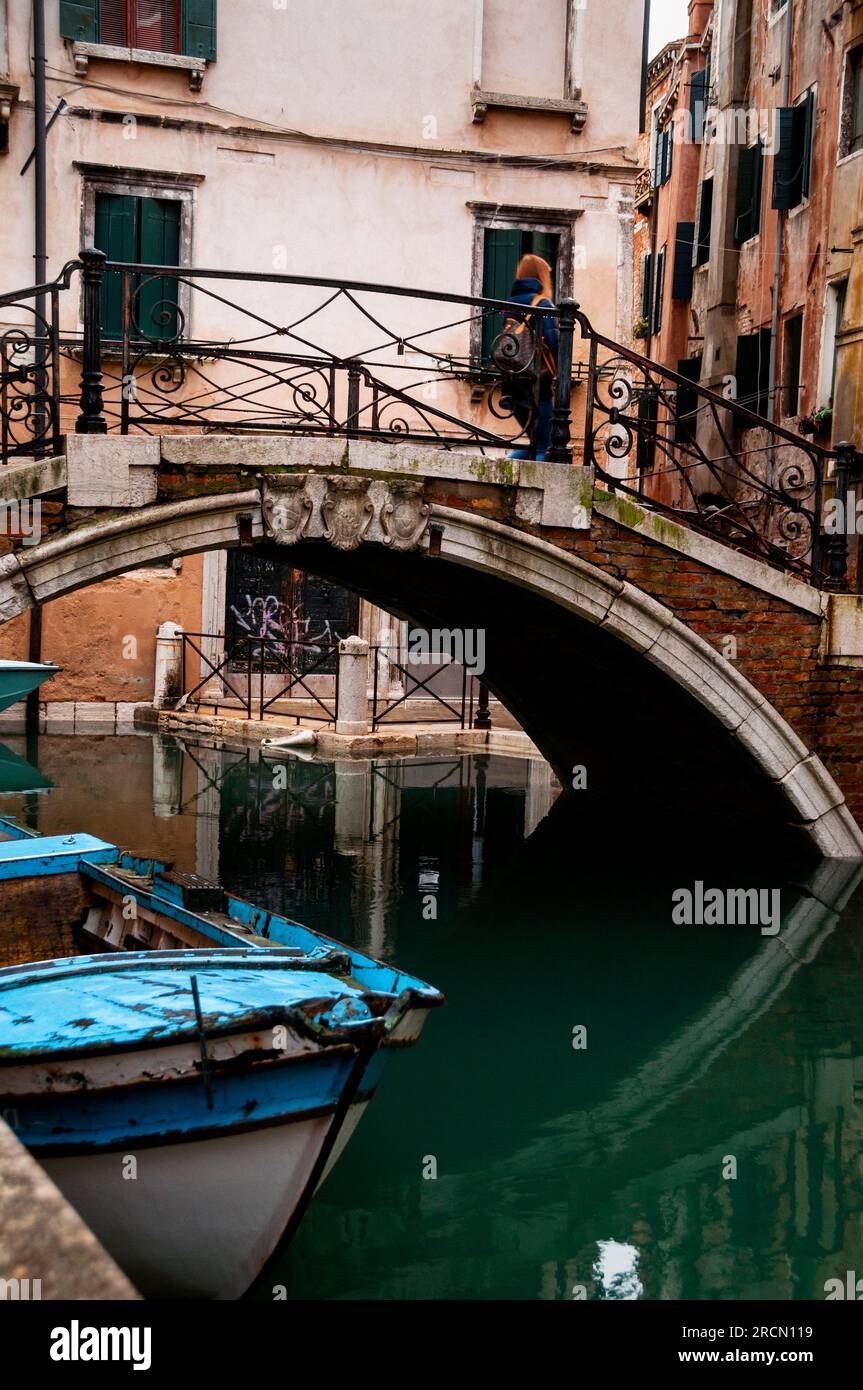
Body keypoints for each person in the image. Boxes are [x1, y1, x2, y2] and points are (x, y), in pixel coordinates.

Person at [499, 254, 558, 461]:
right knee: (546, 443)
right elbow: (553, 341)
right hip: (536, 381)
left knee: (537, 441)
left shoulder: (509, 304)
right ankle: (507, 466)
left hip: (511, 382)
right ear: (542, 277)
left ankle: (505, 464)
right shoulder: (543, 304)